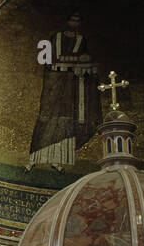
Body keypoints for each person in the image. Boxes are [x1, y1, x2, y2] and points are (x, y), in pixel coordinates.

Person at [28, 13, 101, 170]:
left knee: (67, 119)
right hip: (54, 84)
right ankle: (35, 158)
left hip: (71, 87)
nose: (74, 23)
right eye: (72, 20)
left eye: (77, 21)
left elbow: (83, 61)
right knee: (47, 116)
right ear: (67, 21)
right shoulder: (56, 37)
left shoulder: (82, 40)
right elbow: (48, 61)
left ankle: (58, 160)